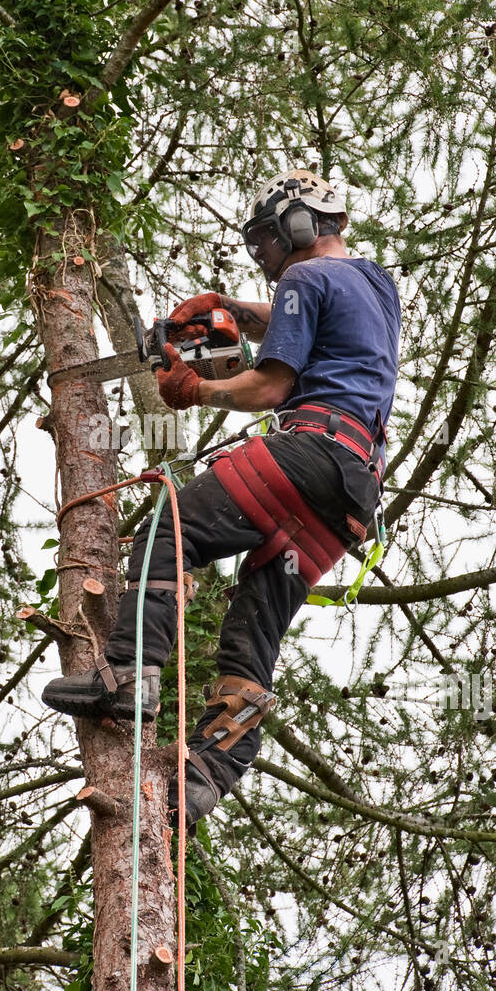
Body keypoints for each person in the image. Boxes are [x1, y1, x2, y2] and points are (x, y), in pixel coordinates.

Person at [42, 168, 401, 829]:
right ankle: (211, 769)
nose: (264, 256)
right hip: (349, 495)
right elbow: (302, 315)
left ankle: (128, 677)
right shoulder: (373, 284)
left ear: (297, 224)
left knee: (170, 529)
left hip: (305, 455)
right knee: (250, 634)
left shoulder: (303, 277)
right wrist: (232, 313)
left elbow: (267, 388)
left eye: (267, 238)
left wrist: (196, 389)